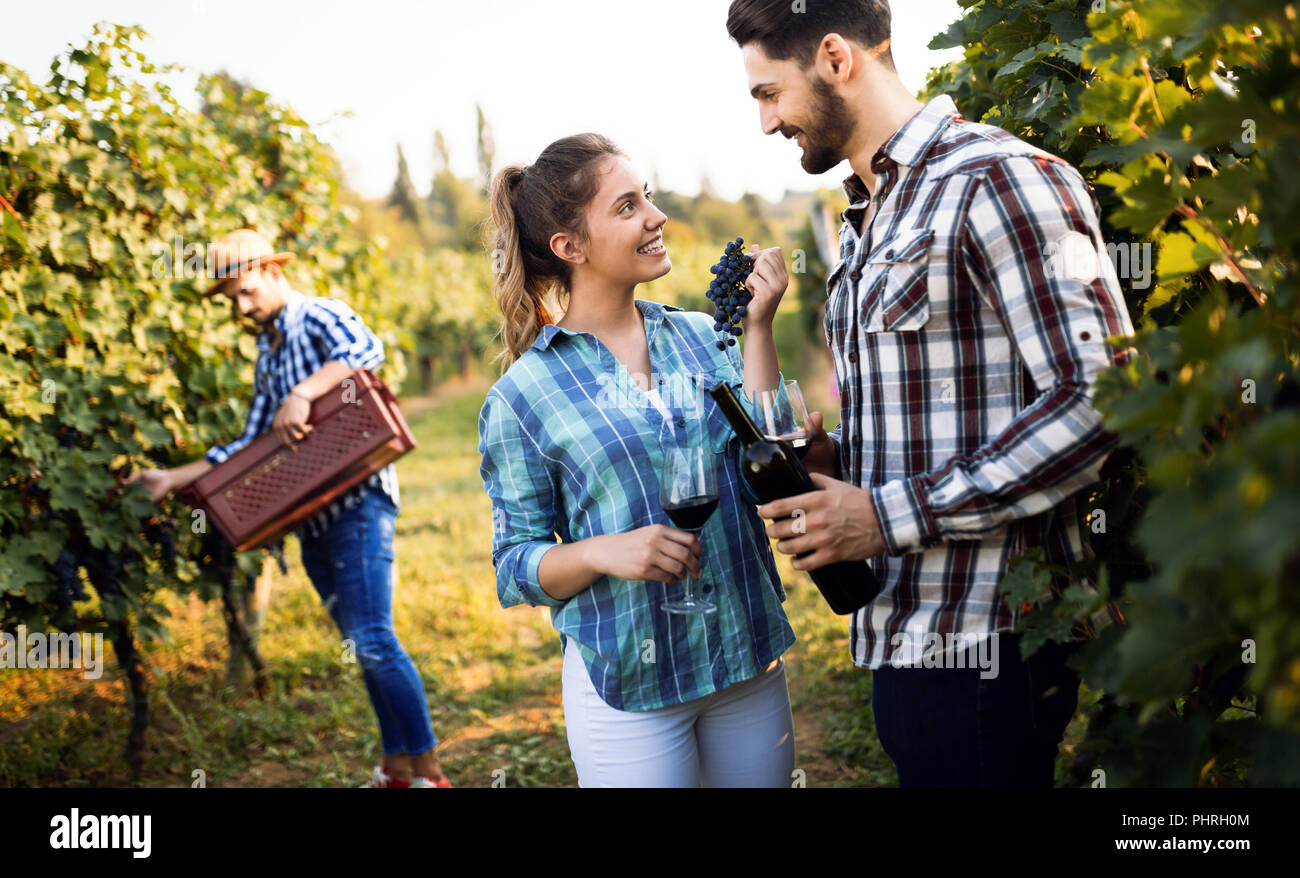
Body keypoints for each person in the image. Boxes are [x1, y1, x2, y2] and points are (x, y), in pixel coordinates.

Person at [724, 0, 1137, 787]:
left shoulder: (997, 179)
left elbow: (1101, 396)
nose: (768, 123)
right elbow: (940, 411)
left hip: (990, 638)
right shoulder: (867, 216)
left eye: (768, 92)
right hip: (904, 624)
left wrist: (883, 515)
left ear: (837, 57)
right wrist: (838, 461)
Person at [477, 133, 799, 787]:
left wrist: (760, 328)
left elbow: (777, 466)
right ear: (571, 247)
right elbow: (516, 566)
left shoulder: (706, 337)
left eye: (647, 196)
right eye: (627, 206)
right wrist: (604, 553)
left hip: (745, 655)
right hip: (630, 679)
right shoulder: (523, 397)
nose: (656, 216)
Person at [125, 229, 450, 789]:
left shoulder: (317, 315)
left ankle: (432, 773)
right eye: (232, 300)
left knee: (372, 637)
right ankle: (399, 768)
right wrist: (171, 480)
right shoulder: (268, 348)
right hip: (313, 516)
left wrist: (303, 393)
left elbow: (365, 351)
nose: (241, 307)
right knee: (360, 642)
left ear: (273, 272)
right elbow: (251, 447)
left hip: (358, 502)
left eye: (246, 291)